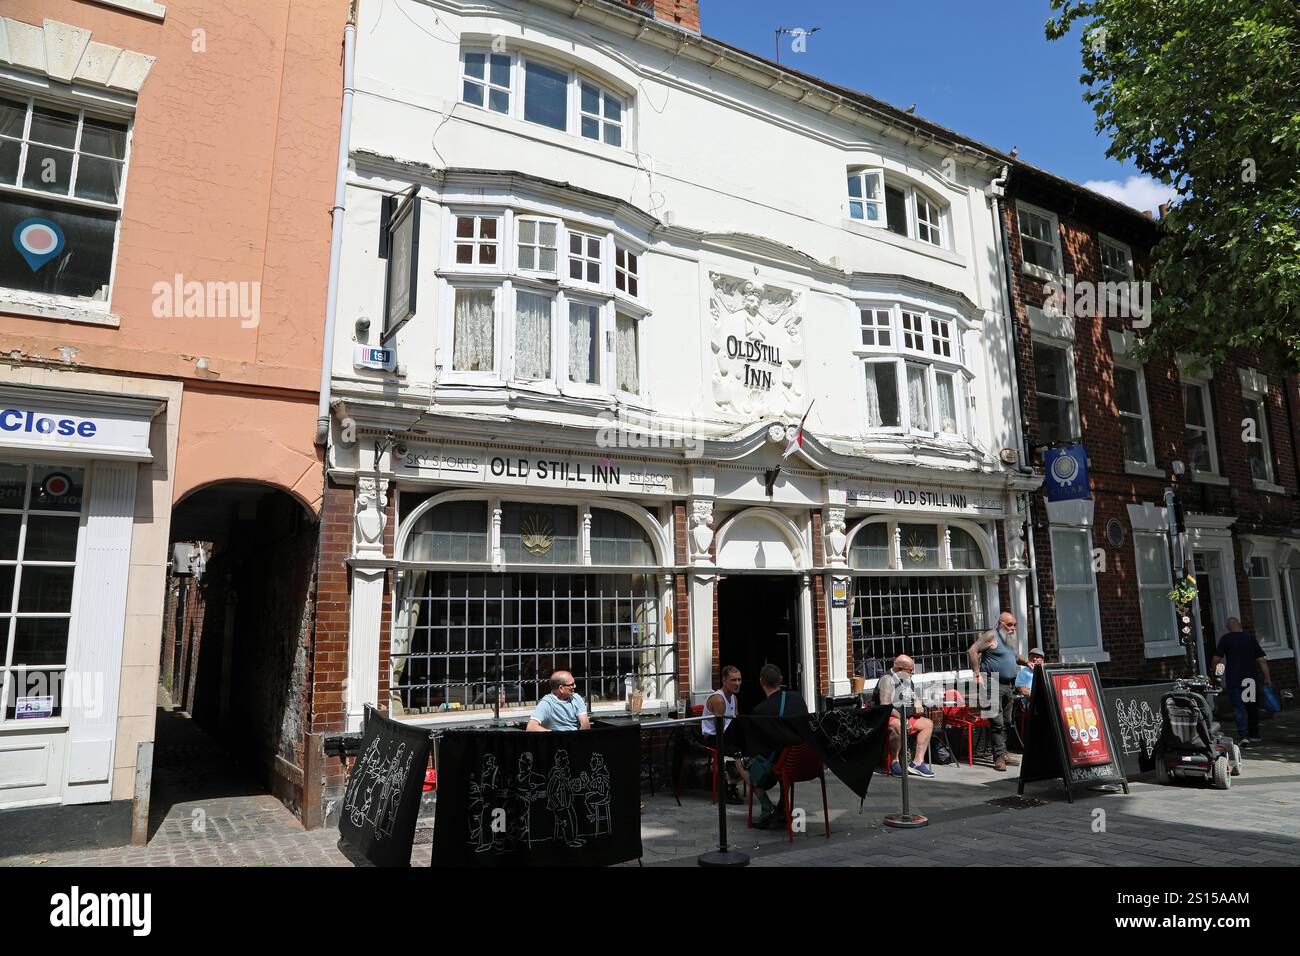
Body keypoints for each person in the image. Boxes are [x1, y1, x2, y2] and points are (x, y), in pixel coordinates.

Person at [749, 664, 808, 829]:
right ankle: (782, 806)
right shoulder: (797, 697)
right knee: (783, 756)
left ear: (761, 682)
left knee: (744, 764)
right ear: (781, 680)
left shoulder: (760, 710)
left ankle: (767, 806)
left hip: (784, 765)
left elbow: (760, 745)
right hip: (808, 761)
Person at [968, 612, 1029, 771]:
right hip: (992, 682)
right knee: (997, 722)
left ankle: (1003, 752)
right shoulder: (991, 635)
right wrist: (976, 673)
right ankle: (999, 758)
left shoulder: (1008, 638)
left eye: (1015, 625)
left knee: (1007, 721)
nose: (1013, 628)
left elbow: (1014, 656)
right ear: (1001, 623)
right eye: (1010, 625)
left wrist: (1028, 662)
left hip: (1009, 685)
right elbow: (973, 651)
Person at [1212, 617, 1273, 747]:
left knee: (1238, 708)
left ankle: (1243, 736)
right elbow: (1261, 660)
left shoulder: (1225, 639)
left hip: (1234, 680)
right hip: (1249, 680)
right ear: (1240, 625)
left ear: (1228, 628)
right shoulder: (1250, 639)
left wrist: (1214, 673)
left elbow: (1216, 659)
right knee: (1251, 707)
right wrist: (1267, 677)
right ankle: (1254, 734)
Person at [875, 655, 935, 778]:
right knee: (898, 725)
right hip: (887, 717)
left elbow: (914, 694)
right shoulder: (887, 679)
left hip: (905, 716)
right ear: (899, 668)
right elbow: (886, 705)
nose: (912, 673)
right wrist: (903, 719)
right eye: (910, 670)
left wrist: (918, 702)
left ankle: (917, 762)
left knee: (928, 724)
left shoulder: (905, 678)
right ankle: (894, 761)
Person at [702, 665, 747, 804]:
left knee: (754, 749)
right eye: (733, 680)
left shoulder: (733, 698)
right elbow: (720, 731)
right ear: (724, 680)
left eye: (739, 680)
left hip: (729, 736)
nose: (737, 683)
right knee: (737, 751)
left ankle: (732, 782)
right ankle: (729, 787)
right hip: (714, 738)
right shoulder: (718, 699)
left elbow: (737, 722)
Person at [526, 671, 591, 732]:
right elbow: (531, 727)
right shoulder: (546, 703)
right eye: (572, 684)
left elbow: (585, 724)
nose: (575, 686)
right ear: (561, 688)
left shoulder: (576, 698)